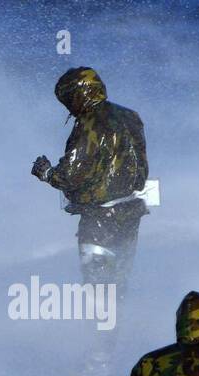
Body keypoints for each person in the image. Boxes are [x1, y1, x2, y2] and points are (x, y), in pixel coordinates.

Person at [32, 67, 148, 306]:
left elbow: (71, 174)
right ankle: (120, 335)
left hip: (99, 217)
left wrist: (46, 172)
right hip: (131, 209)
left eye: (68, 99)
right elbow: (139, 166)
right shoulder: (130, 116)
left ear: (79, 94)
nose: (68, 107)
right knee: (120, 280)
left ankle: (100, 340)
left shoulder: (90, 122)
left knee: (97, 287)